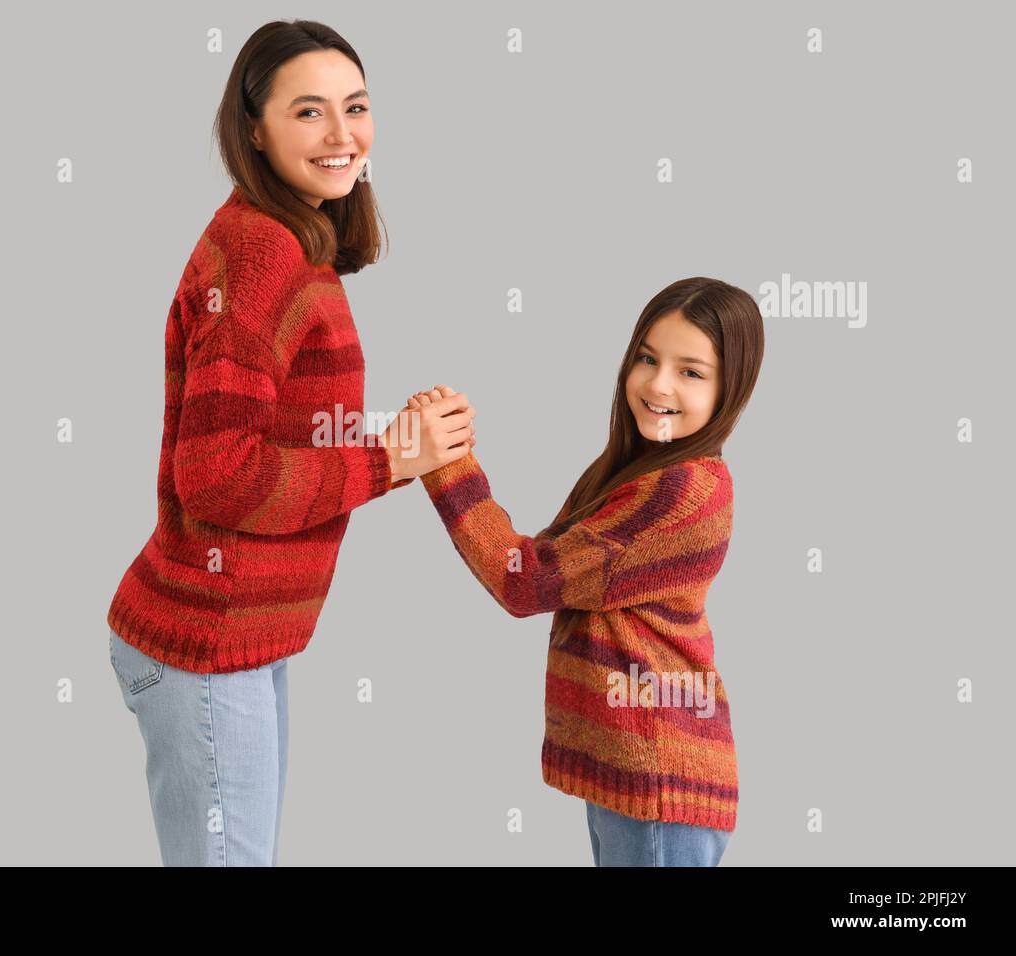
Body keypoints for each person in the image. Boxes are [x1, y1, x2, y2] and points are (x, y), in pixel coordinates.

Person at [106, 19, 474, 866]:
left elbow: (281, 439)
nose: (343, 135)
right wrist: (392, 458)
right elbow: (218, 476)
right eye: (309, 113)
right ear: (254, 130)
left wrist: (396, 444)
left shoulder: (295, 240)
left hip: (237, 639)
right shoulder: (261, 253)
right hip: (206, 643)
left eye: (357, 106)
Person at [409, 279, 764, 866]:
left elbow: (523, 579)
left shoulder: (682, 490)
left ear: (732, 389)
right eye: (647, 358)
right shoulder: (641, 472)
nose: (658, 385)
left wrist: (447, 462)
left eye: (692, 372)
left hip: (660, 782)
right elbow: (542, 562)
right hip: (642, 781)